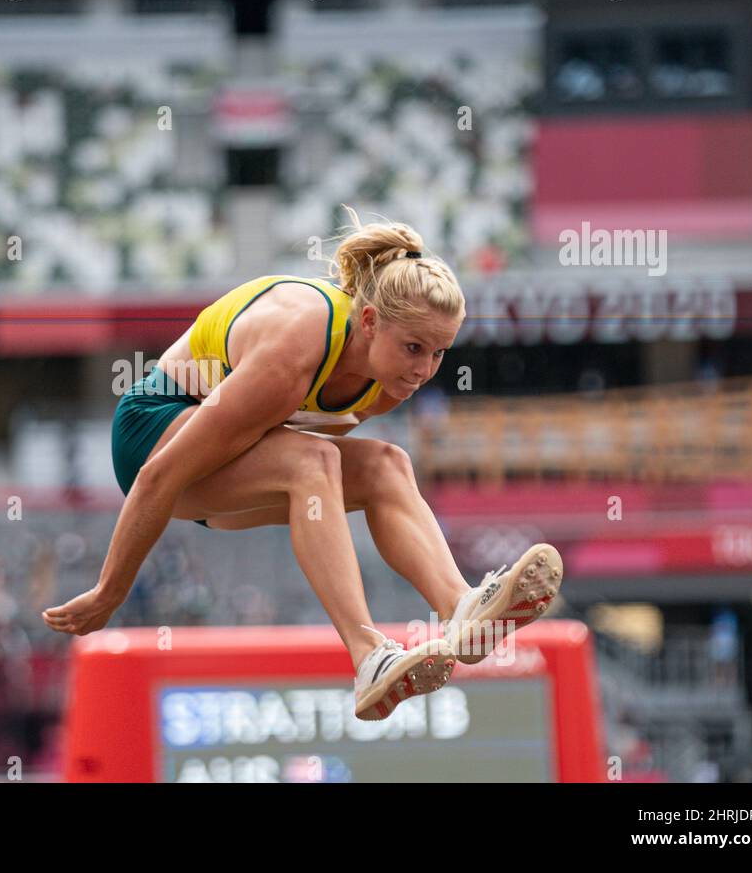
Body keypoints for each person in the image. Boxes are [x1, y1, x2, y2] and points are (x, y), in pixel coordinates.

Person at [42, 207, 564, 721]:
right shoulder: (293, 344)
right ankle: (368, 656)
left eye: (439, 353)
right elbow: (160, 475)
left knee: (387, 464)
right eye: (413, 348)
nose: (424, 369)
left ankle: (461, 610)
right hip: (150, 440)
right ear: (367, 321)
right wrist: (110, 591)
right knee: (311, 461)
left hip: (227, 458)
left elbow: (286, 456)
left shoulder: (388, 383)